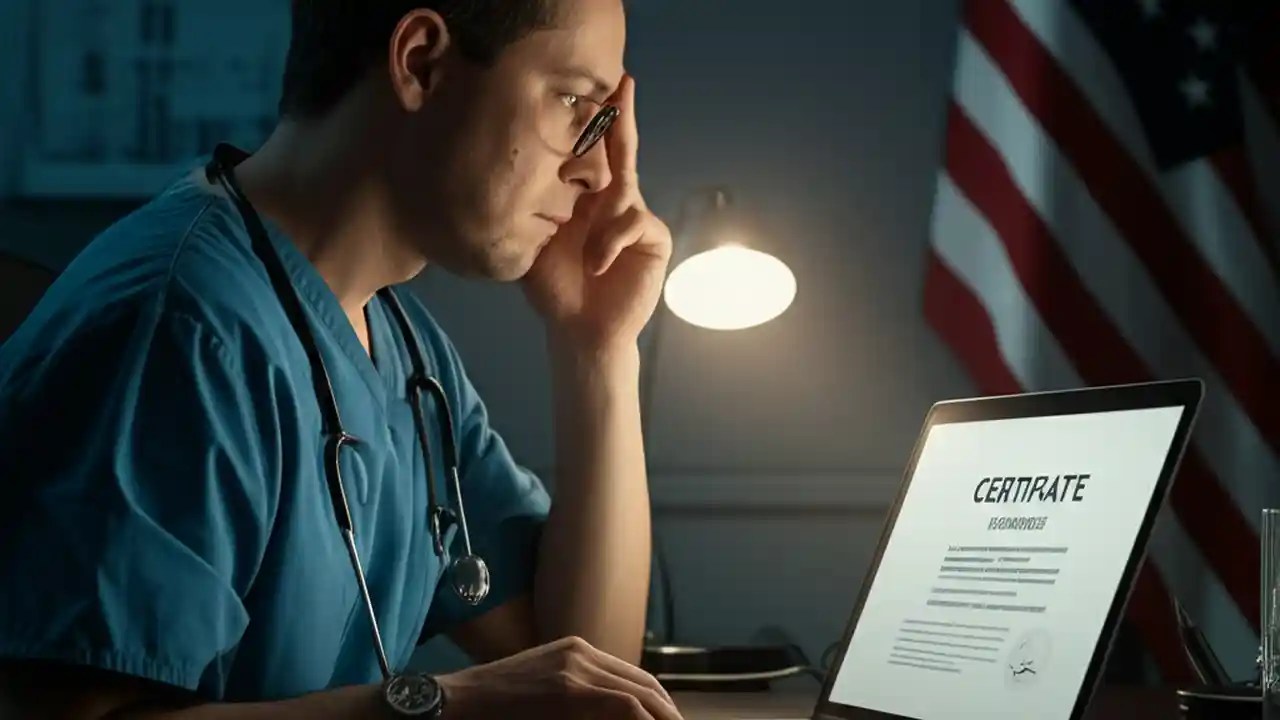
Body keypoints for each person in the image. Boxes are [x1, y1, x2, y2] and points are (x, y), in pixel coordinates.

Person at [0, 0, 684, 718]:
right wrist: (438, 706)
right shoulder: (181, 334)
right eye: (573, 102)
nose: (597, 172)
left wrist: (598, 350)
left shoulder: (405, 349)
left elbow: (588, 678)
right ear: (421, 63)